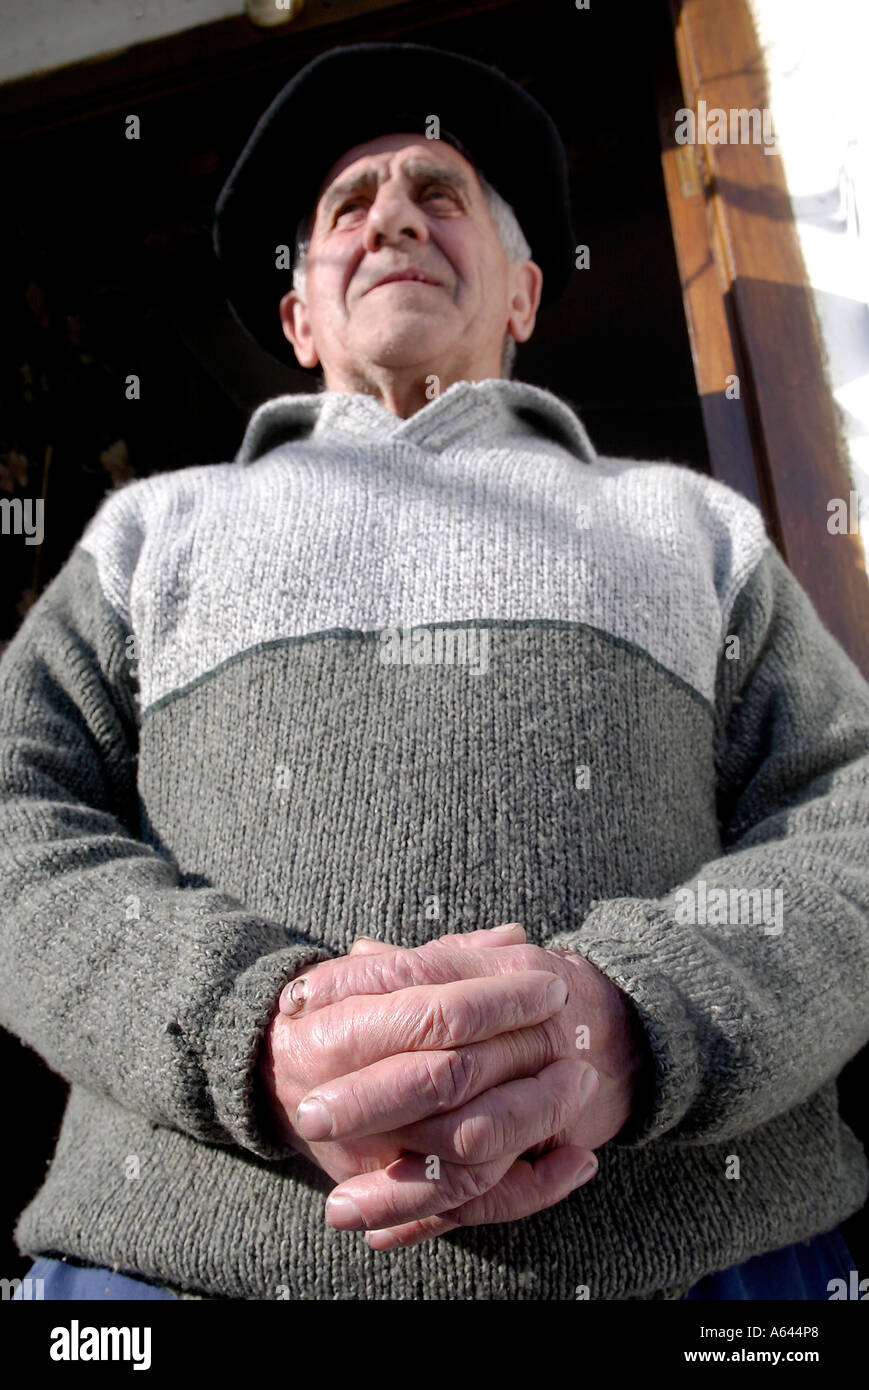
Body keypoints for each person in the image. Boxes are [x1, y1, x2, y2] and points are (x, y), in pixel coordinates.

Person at [3, 41, 868, 1303]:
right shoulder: (149, 534)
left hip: (715, 1277)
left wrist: (642, 1020)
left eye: (438, 191)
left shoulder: (693, 529)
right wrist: (244, 1028)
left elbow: (847, 816)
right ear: (300, 315)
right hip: (164, 1282)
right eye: (347, 208)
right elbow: (14, 813)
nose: (393, 214)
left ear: (522, 290)